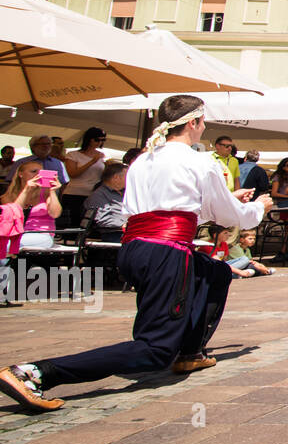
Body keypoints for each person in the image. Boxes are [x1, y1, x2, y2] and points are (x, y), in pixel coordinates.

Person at [0, 95, 271, 412]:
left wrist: (228, 198)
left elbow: (176, 207)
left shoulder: (143, 161)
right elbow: (230, 216)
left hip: (133, 248)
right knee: (154, 349)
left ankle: (190, 352)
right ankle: (37, 372)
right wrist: (257, 207)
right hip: (165, 251)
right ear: (196, 123)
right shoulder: (200, 161)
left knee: (216, 272)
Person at [4, 161, 62, 250]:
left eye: (41, 172)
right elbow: (13, 214)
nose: (38, 175)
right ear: (21, 174)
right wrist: (26, 190)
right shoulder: (10, 195)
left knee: (8, 244)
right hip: (17, 234)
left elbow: (55, 214)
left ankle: (8, 263)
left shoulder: (46, 193)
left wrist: (52, 191)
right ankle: (15, 264)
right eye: (34, 171)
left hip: (42, 235)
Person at [61, 127, 108, 228]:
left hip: (93, 194)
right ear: (89, 139)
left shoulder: (101, 155)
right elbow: (72, 174)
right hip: (75, 193)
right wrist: (92, 162)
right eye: (97, 139)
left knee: (88, 225)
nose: (99, 142)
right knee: (72, 224)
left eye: (102, 140)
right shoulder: (73, 155)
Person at [83, 160, 128, 241]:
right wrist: (126, 224)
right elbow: (104, 220)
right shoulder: (99, 195)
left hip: (129, 231)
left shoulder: (125, 193)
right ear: (116, 178)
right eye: (128, 176)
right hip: (114, 234)